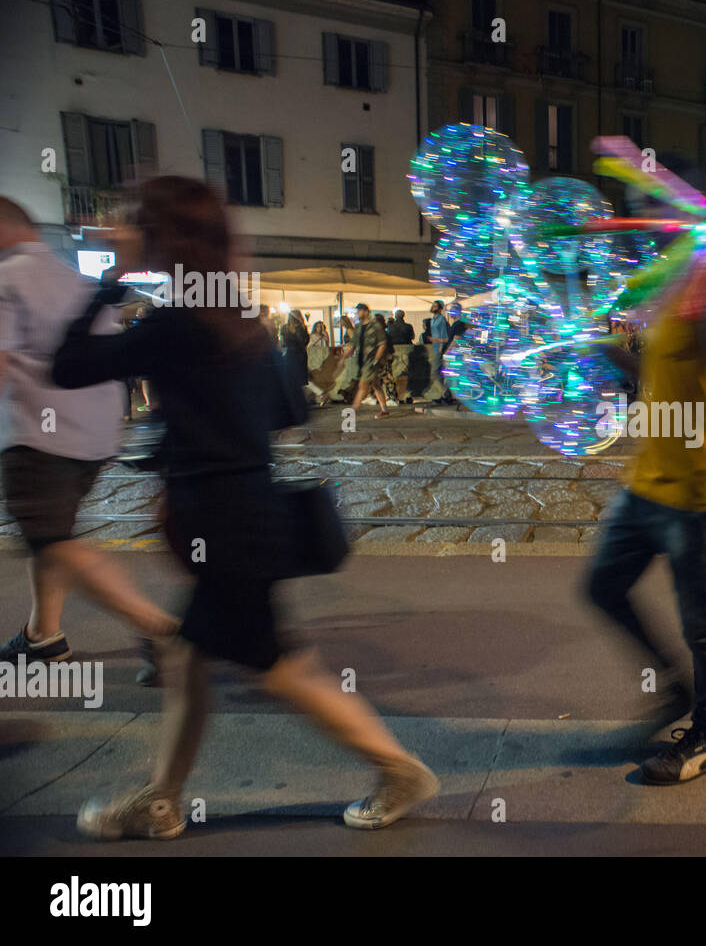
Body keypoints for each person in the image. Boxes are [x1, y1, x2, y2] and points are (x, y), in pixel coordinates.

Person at [51, 176, 437, 839]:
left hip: (225, 525)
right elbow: (289, 408)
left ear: (162, 239)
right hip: (247, 513)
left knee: (280, 669)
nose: (125, 230)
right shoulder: (238, 319)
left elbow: (69, 364)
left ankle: (398, 768)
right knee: (194, 659)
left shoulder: (176, 325)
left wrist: (109, 279)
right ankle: (162, 799)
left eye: (136, 224)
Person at [585, 155, 706, 785]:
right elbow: (658, 374)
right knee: (602, 586)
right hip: (648, 477)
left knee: (702, 617)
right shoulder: (666, 279)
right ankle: (673, 690)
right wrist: (607, 352)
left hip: (699, 484)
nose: (651, 219)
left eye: (660, 207)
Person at [0, 196, 175, 678]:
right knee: (50, 535)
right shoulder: (73, 278)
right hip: (95, 435)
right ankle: (43, 636)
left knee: (54, 541)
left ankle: (161, 632)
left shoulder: (6, 279)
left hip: (40, 434)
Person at [340, 303, 391, 417]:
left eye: (360, 311)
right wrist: (343, 358)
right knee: (376, 385)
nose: (358, 313)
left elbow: (382, 343)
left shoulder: (375, 325)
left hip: (371, 360)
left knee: (363, 385)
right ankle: (384, 409)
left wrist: (376, 359)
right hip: (362, 360)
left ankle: (353, 410)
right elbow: (353, 344)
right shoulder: (358, 327)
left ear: (366, 312)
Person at [279, 308, 309, 387]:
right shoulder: (302, 327)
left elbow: (282, 342)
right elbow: (305, 341)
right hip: (300, 353)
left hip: (291, 353)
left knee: (291, 377)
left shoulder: (284, 328)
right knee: (301, 377)